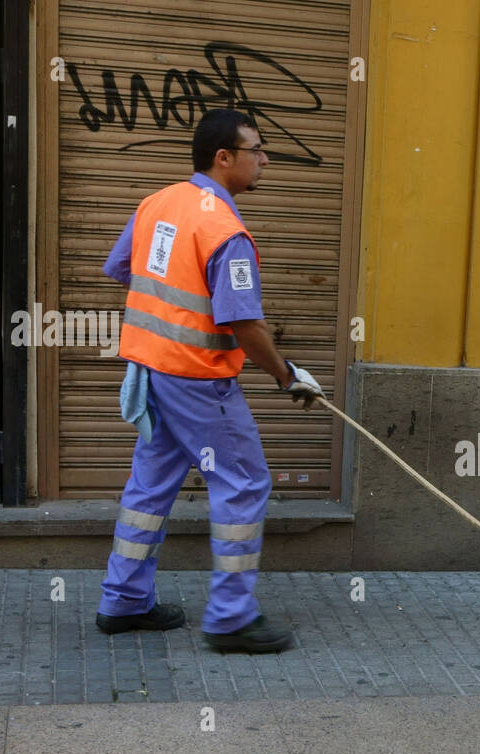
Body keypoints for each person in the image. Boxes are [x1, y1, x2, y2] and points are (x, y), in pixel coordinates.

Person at [95, 108, 322, 653]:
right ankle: (231, 617)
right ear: (224, 158)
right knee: (243, 483)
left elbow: (120, 266)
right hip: (198, 381)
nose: (265, 160)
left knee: (148, 487)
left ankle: (123, 601)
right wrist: (287, 374)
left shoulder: (158, 202)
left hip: (152, 373)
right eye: (257, 150)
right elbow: (242, 323)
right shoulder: (224, 230)